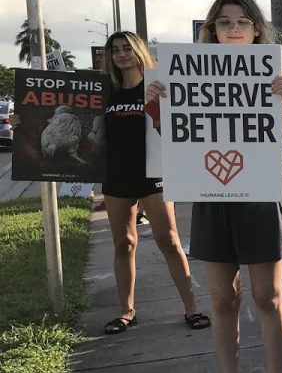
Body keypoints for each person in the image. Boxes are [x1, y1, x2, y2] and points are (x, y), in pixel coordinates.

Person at [147, 0, 282, 373]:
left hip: (262, 197)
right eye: (225, 21)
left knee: (267, 296)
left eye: (244, 21)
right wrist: (158, 99)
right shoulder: (184, 77)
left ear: (257, 30)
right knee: (220, 297)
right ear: (211, 29)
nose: (234, 28)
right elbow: (169, 143)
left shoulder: (276, 73)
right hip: (213, 199)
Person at [13, 31, 209, 334]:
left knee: (169, 240)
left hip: (154, 173)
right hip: (116, 176)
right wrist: (21, 122)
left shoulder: (156, 86)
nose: (121, 54)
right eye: (114, 49)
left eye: (127, 48)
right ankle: (126, 311)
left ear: (139, 51)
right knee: (124, 243)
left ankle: (191, 308)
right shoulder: (103, 94)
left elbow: (183, 120)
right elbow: (61, 119)